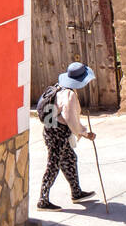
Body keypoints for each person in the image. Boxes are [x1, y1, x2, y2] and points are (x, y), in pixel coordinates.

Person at [37, 61, 98, 211]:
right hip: (58, 133)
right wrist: (85, 133)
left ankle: (76, 193)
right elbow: (71, 120)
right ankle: (43, 200)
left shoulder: (59, 87)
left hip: (50, 130)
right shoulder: (69, 94)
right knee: (53, 165)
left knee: (70, 159)